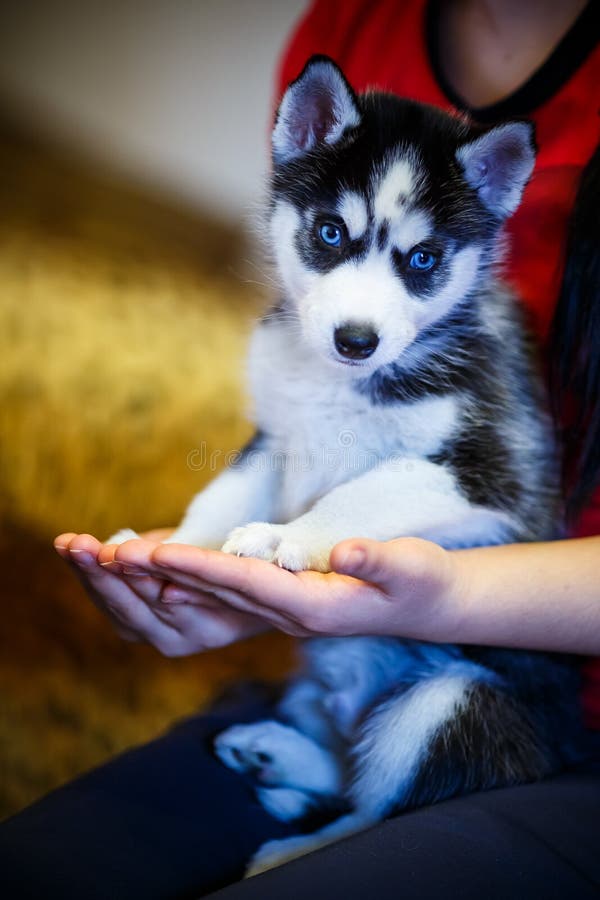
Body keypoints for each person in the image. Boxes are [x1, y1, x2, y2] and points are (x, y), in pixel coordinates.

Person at [2, 2, 599, 897]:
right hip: (337, 668)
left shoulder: (455, 369)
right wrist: (192, 566)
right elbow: (273, 455)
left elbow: (469, 484)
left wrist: (396, 580)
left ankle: (356, 815)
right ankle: (326, 758)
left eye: (418, 262)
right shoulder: (358, 24)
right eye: (333, 238)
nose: (362, 310)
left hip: (507, 703)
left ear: (496, 201)